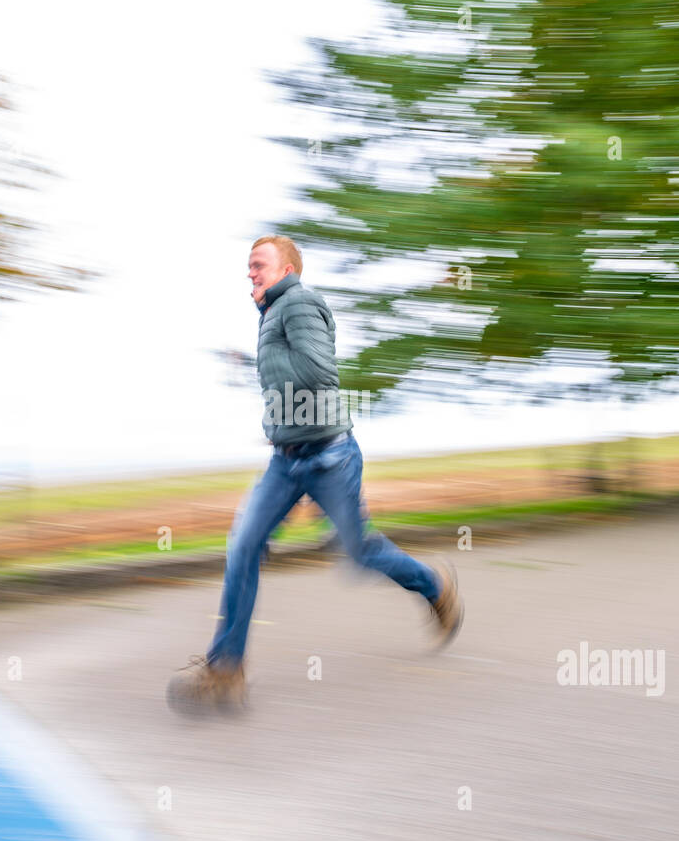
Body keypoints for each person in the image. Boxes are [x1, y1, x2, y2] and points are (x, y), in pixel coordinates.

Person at [167, 235, 463, 714]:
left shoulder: (300, 301)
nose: (249, 272)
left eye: (257, 264)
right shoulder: (273, 314)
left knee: (357, 551)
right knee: (243, 546)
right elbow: (292, 376)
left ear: (286, 269)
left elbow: (317, 370)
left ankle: (435, 586)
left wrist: (268, 363)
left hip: (329, 456)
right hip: (287, 461)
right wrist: (250, 363)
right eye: (248, 266)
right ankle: (225, 669)